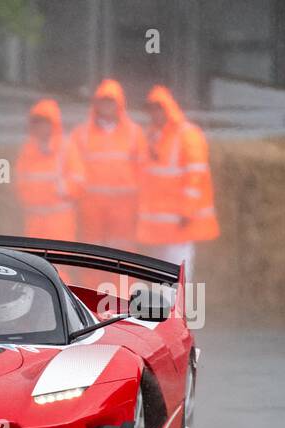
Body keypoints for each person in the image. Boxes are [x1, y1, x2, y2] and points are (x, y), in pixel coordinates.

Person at [135, 85, 219, 280]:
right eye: (152, 110)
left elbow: (196, 174)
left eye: (159, 108)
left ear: (168, 108)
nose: (155, 114)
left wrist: (187, 211)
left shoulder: (187, 135)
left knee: (178, 269)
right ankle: (168, 309)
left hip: (180, 221)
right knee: (162, 273)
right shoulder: (152, 136)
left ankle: (177, 309)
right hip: (159, 224)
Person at [70, 78, 146, 249]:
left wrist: (141, 205)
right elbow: (73, 170)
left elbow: (143, 171)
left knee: (123, 250)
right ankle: (90, 278)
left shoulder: (135, 133)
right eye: (102, 101)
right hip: (91, 206)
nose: (106, 106)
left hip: (124, 206)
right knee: (92, 250)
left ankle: (122, 278)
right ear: (95, 104)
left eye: (111, 102)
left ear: (120, 104)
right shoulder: (81, 134)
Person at [15, 98, 85, 243]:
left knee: (61, 262)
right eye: (37, 123)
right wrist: (28, 195)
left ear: (53, 124)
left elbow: (79, 180)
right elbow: (19, 180)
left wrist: (63, 189)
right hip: (33, 221)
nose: (41, 127)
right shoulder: (27, 149)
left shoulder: (66, 148)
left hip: (60, 221)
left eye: (45, 122)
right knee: (33, 261)